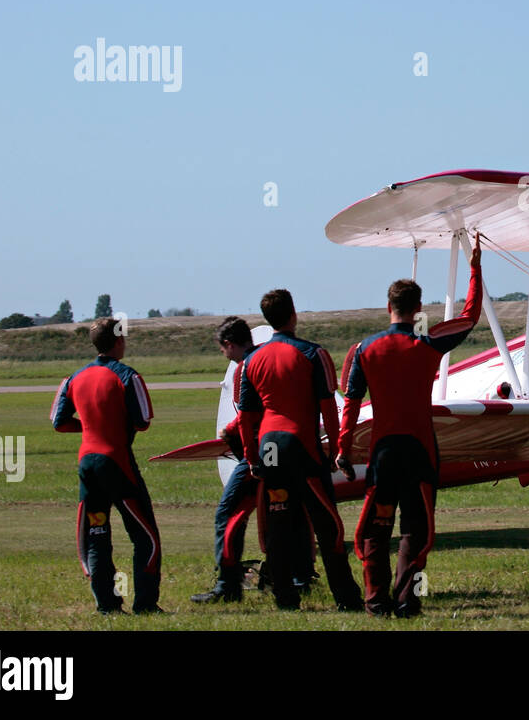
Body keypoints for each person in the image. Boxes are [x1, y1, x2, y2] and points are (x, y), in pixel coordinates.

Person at [336, 233, 484, 617]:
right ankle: (407, 601)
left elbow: (350, 404)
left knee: (376, 527)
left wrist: (343, 448)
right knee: (416, 530)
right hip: (420, 450)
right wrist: (475, 267)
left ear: (388, 306)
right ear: (419, 309)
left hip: (383, 453)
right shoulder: (429, 342)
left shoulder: (364, 349)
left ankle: (375, 601)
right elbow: (470, 315)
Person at [237, 290, 361, 611]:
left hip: (269, 449)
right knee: (327, 525)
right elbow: (329, 410)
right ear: (293, 314)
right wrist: (336, 449)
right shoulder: (312, 354)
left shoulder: (250, 360)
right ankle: (346, 598)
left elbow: (245, 419)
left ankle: (285, 599)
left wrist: (252, 458)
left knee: (278, 526)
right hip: (300, 445)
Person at [191, 317, 314, 603]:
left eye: (223, 350)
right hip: (290, 446)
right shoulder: (271, 358)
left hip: (258, 453)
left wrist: (232, 436)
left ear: (229, 345)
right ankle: (300, 577)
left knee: (228, 514)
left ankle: (228, 585)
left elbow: (251, 416)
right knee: (292, 511)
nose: (225, 355)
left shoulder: (246, 367)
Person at [51, 317, 162, 614]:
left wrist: (89, 427)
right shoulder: (128, 376)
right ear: (118, 342)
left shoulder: (73, 378)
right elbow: (142, 422)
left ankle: (107, 605)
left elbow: (58, 422)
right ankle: (146, 604)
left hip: (87, 464)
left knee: (97, 534)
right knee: (145, 536)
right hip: (117, 463)